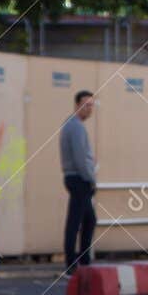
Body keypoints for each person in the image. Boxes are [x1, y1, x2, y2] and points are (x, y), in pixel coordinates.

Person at [59, 89, 97, 271]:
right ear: (76, 105)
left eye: (91, 105)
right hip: (79, 178)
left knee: (88, 219)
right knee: (76, 221)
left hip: (74, 177)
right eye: (86, 105)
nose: (89, 109)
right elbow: (80, 158)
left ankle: (82, 259)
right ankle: (74, 263)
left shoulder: (70, 124)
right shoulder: (76, 127)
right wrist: (91, 179)